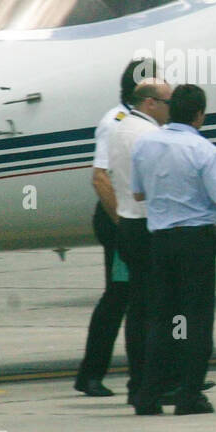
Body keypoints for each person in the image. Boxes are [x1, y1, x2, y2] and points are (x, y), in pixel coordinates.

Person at [130, 85, 216, 415]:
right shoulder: (204, 150)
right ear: (199, 115)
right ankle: (189, 394)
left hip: (160, 241)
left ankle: (148, 394)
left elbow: (137, 194)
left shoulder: (145, 144)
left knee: (163, 319)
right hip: (195, 241)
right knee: (196, 320)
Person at [73, 57, 154, 397]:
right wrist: (123, 225)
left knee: (134, 297)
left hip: (130, 219)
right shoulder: (116, 123)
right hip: (118, 221)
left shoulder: (139, 121)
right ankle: (91, 373)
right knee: (120, 296)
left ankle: (157, 370)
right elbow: (100, 177)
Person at [107, 77, 170, 407]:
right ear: (151, 103)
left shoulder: (119, 128)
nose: (170, 110)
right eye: (167, 103)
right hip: (149, 225)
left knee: (138, 307)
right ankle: (156, 383)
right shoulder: (151, 136)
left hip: (127, 223)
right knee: (159, 310)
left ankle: (138, 381)